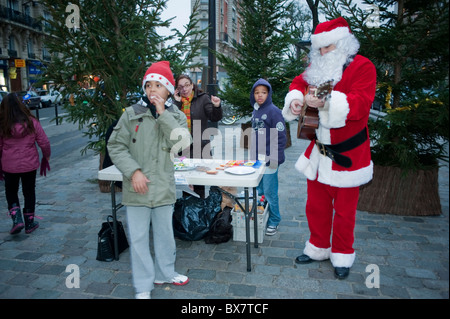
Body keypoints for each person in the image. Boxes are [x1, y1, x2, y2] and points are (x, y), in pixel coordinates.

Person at [282, 17, 376, 279]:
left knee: (345, 212)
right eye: (320, 49)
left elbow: (360, 104)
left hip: (349, 155)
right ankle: (318, 247)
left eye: (328, 48)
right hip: (319, 151)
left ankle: (342, 255)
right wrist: (297, 101)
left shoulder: (363, 67)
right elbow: (298, 83)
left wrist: (326, 102)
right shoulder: (318, 66)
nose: (323, 53)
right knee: (316, 205)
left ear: (343, 43)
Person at [107, 61, 192, 299]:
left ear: (168, 89)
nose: (152, 90)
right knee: (139, 239)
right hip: (137, 188)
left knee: (165, 235)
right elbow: (115, 145)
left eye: (158, 85)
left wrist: (164, 114)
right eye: (148, 85)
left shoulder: (175, 115)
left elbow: (182, 144)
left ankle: (164, 273)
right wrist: (133, 171)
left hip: (163, 186)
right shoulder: (132, 114)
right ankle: (143, 285)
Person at [0, 93, 51, 235]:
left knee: (11, 192)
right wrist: (46, 157)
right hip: (29, 164)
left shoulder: (3, 124)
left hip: (9, 165)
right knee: (29, 191)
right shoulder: (31, 122)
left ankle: (17, 220)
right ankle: (29, 222)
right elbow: (44, 142)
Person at [173, 74, 222, 198]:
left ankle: (199, 214)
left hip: (200, 148)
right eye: (180, 87)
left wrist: (216, 106)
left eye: (187, 85)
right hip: (183, 148)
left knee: (199, 184)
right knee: (185, 184)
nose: (184, 89)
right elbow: (172, 123)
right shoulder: (175, 102)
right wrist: (177, 104)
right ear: (177, 89)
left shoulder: (203, 98)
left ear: (192, 84)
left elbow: (214, 117)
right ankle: (188, 214)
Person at [250, 79, 286, 236]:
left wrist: (275, 158)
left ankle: (274, 220)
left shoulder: (274, 111)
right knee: (260, 190)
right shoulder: (256, 110)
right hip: (258, 159)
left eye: (263, 92)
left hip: (271, 159)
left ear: (269, 94)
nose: (260, 95)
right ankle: (262, 217)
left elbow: (281, 136)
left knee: (270, 192)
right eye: (257, 92)